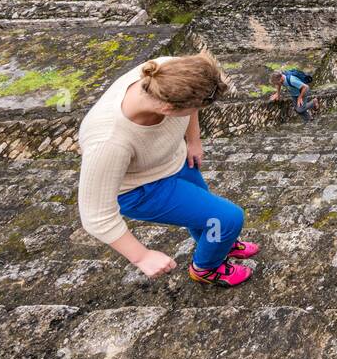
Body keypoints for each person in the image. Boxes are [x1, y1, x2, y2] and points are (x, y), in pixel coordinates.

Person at [77, 54, 256, 288]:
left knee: (208, 213)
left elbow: (193, 105)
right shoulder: (109, 141)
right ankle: (206, 267)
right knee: (227, 217)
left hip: (174, 161)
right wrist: (141, 256)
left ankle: (220, 242)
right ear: (168, 108)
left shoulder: (169, 71)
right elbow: (95, 215)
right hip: (141, 190)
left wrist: (193, 141)